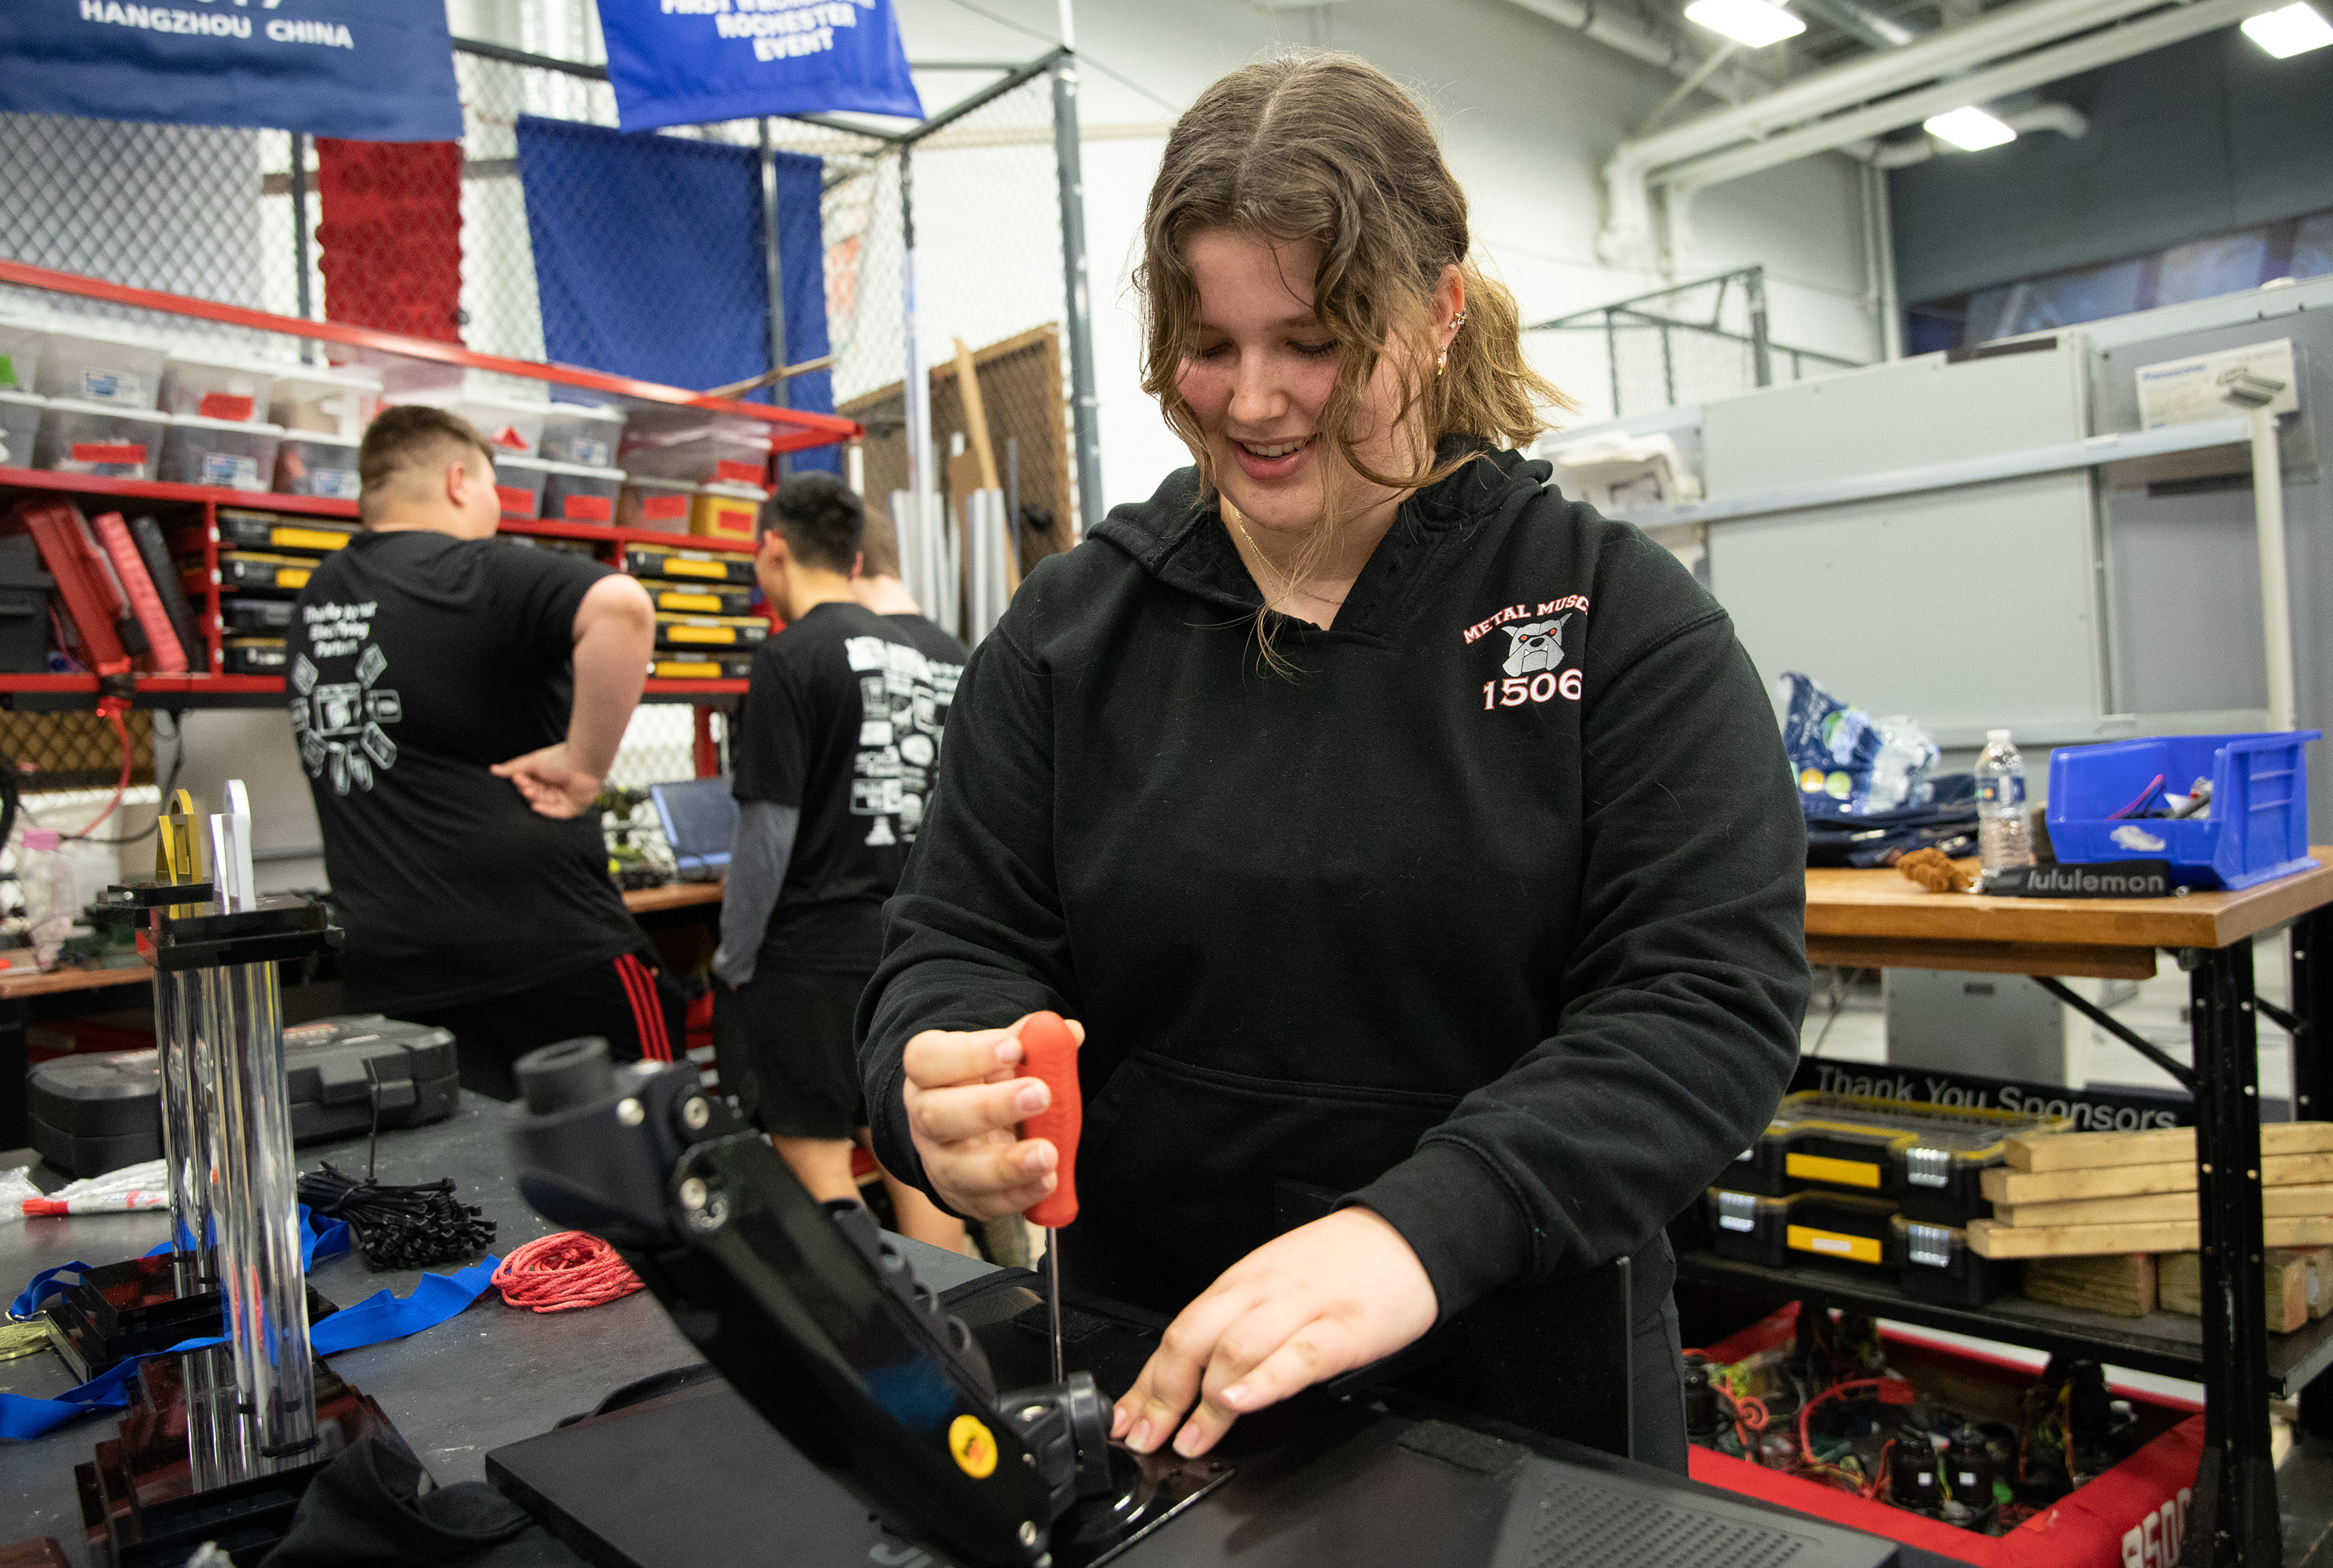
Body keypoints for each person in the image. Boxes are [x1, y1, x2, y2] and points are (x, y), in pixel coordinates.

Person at [860, 55, 1806, 1470]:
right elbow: (952, 938)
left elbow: (1702, 1003)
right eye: (1208, 342)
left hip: (1517, 1396)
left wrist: (1419, 1228)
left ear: (1433, 312)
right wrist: (939, 1079)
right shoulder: (1073, 631)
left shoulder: (1614, 618)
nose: (1252, 402)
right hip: (1150, 1384)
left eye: (1310, 342)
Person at [289, 404, 679, 1100]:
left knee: (461, 1193)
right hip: (550, 950)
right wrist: (586, 766)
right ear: (460, 480)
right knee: (651, 1170)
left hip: (397, 973)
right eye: (497, 488)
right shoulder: (472, 572)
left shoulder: (317, 600)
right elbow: (623, 607)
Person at [714, 473, 969, 1252]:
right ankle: (971, 1342)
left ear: (772, 549)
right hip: (907, 948)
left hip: (808, 958)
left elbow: (766, 835)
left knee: (818, 1179)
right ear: (857, 556)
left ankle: (872, 1349)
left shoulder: (791, 658)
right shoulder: (929, 653)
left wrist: (733, 959)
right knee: (915, 1165)